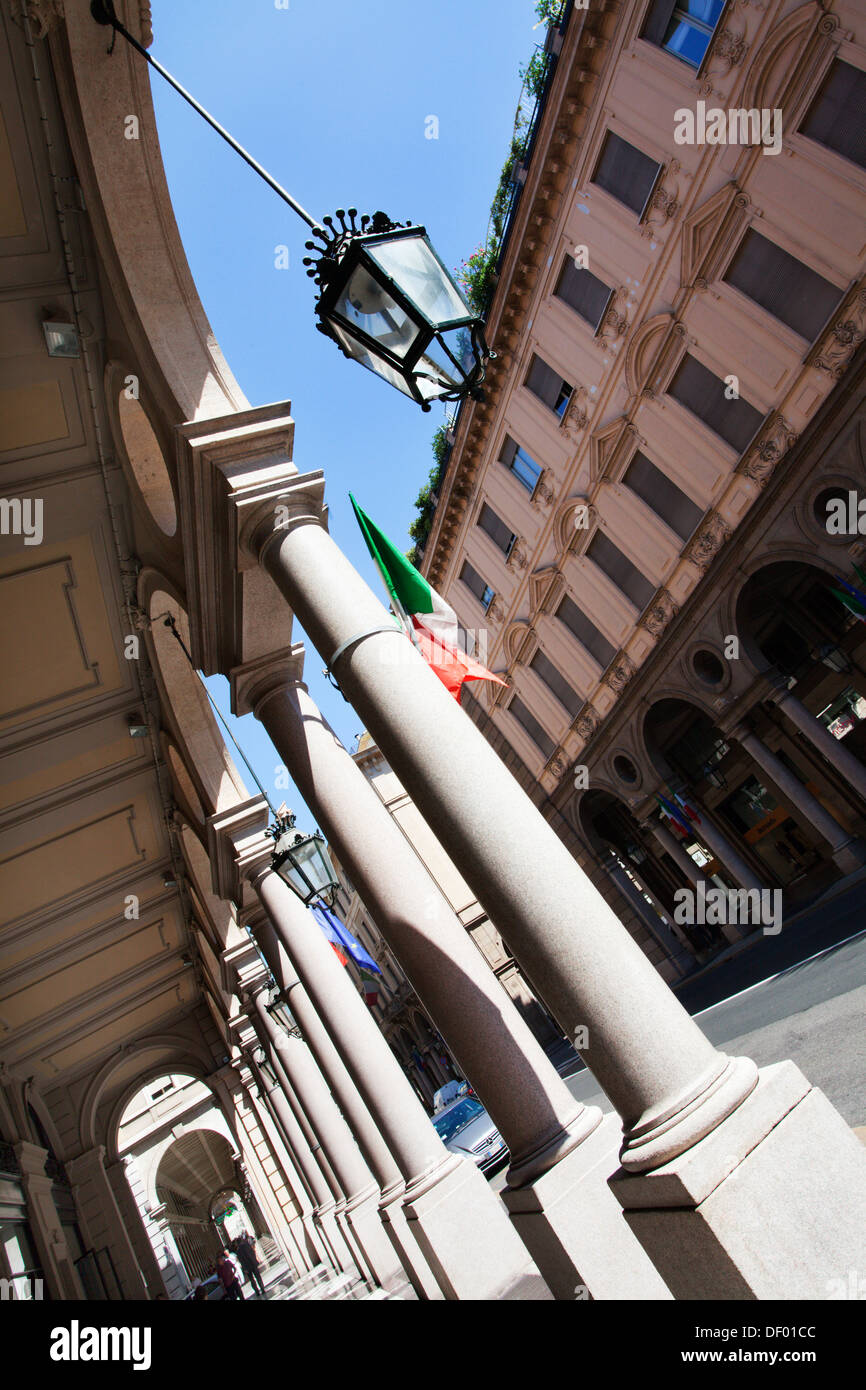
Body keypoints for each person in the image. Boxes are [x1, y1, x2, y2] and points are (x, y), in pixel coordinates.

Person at [234, 1231, 266, 1297]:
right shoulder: (247, 1245)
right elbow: (252, 1253)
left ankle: (257, 1291)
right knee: (258, 1277)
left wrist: (244, 1268)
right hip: (253, 1264)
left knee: (252, 1280)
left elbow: (241, 1261)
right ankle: (262, 1289)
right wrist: (255, 1261)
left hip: (247, 1268)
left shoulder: (238, 1251)